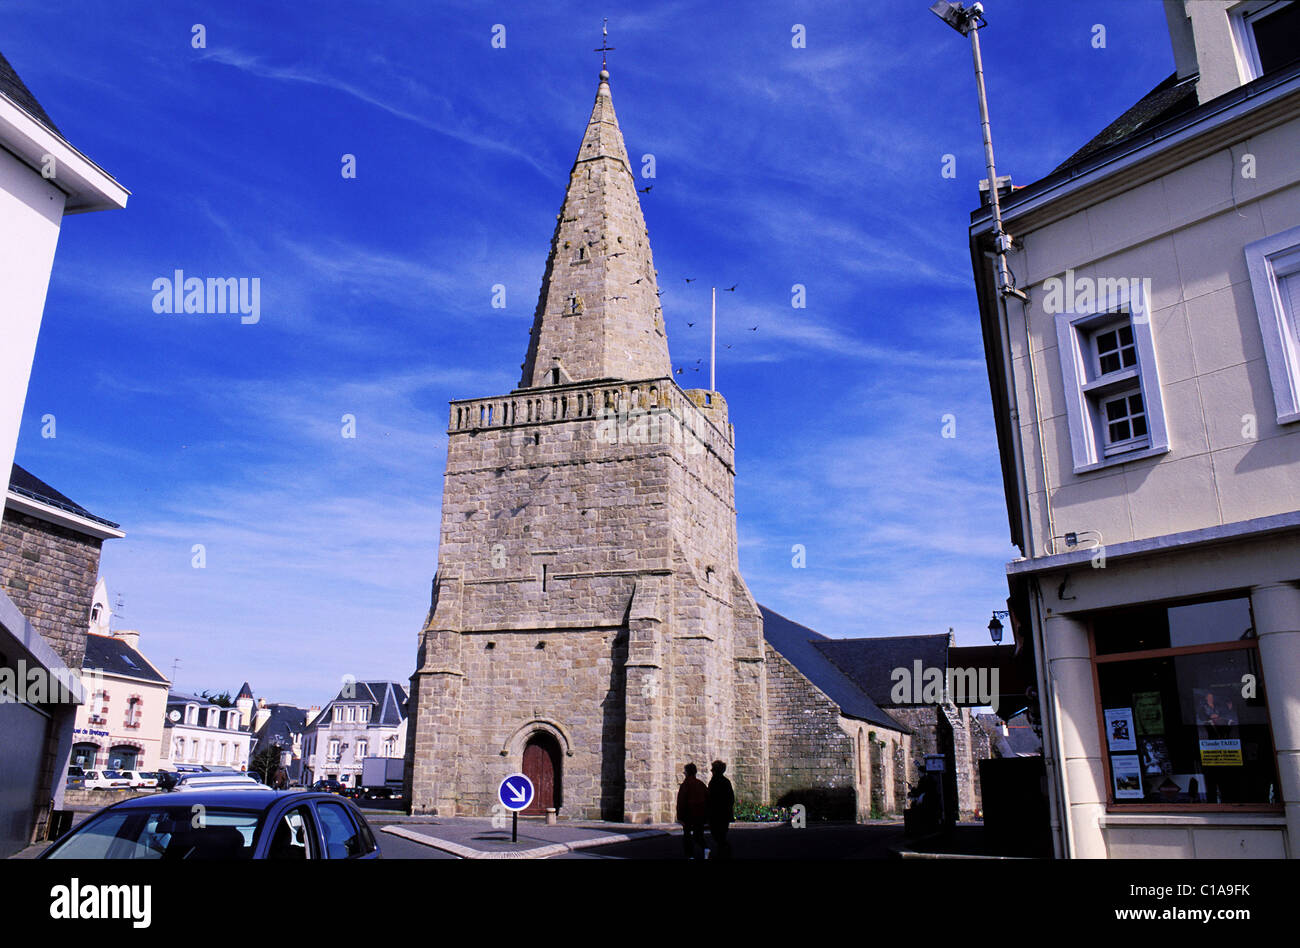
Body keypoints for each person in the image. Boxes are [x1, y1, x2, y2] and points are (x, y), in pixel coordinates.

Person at [675, 763, 709, 859]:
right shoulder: (701, 784)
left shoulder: (685, 785)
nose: (684, 772)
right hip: (700, 814)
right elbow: (708, 798)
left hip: (688, 815)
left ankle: (690, 855)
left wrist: (680, 817)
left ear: (687, 772)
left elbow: (681, 802)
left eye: (685, 771)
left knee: (687, 836)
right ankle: (705, 848)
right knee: (698, 834)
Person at [707, 760, 734, 860]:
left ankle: (723, 851)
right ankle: (723, 851)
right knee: (719, 834)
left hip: (718, 813)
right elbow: (731, 798)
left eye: (713, 769)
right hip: (722, 813)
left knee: (718, 834)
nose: (711, 771)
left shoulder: (717, 782)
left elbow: (711, 797)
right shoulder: (724, 782)